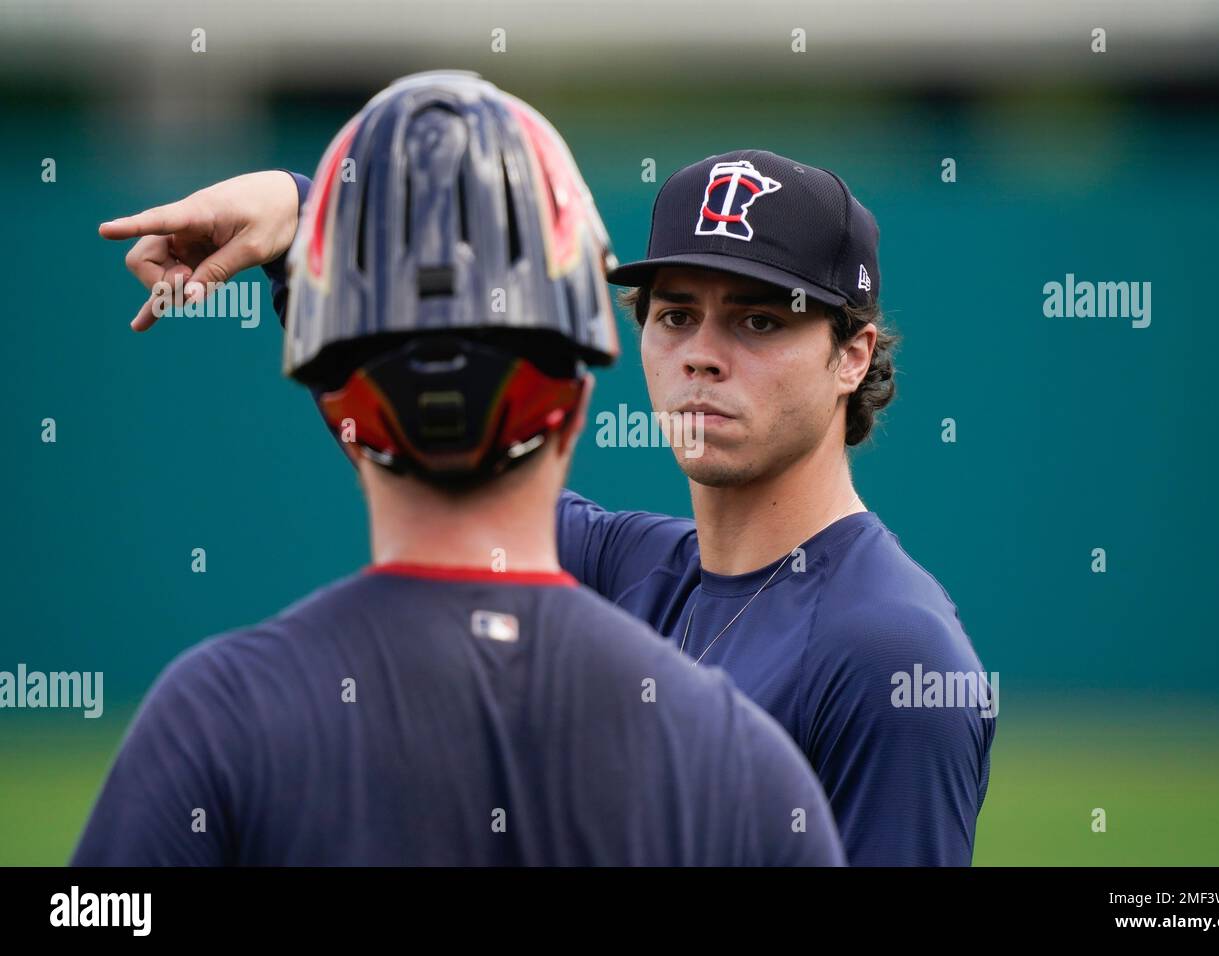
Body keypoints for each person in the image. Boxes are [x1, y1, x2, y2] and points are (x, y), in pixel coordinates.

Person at [106, 126, 993, 867]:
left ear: (851, 353)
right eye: (676, 314)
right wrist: (307, 224)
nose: (702, 354)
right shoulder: (625, 569)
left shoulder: (890, 655)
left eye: (760, 319)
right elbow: (419, 452)